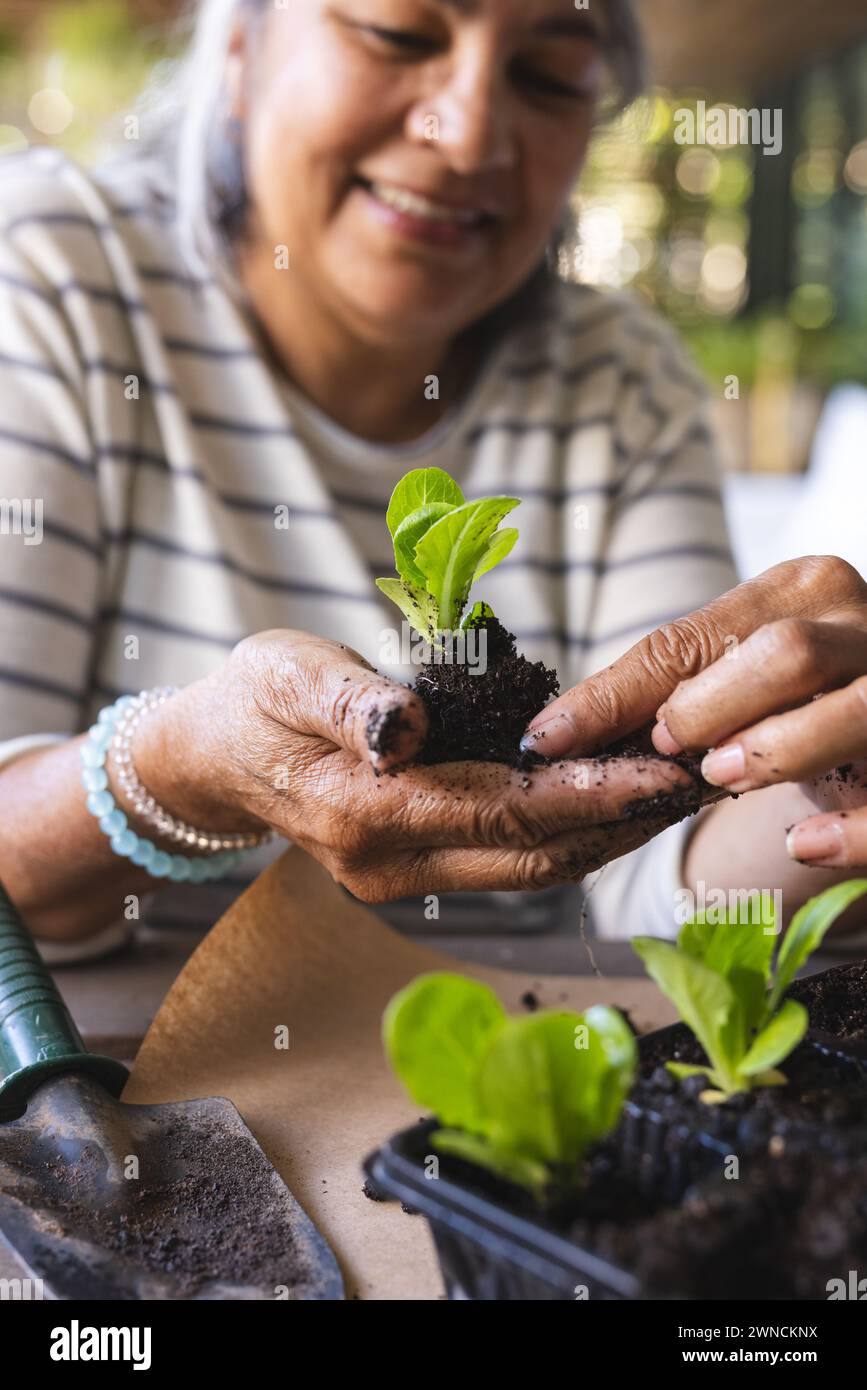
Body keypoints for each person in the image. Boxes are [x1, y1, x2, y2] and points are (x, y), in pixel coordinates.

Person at [0, 0, 864, 963]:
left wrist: (823, 781)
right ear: (239, 50)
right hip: (115, 1048)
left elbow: (660, 862)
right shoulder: (46, 274)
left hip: (518, 1033)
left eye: (546, 77)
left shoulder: (622, 382)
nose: (468, 135)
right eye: (398, 35)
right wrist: (174, 772)